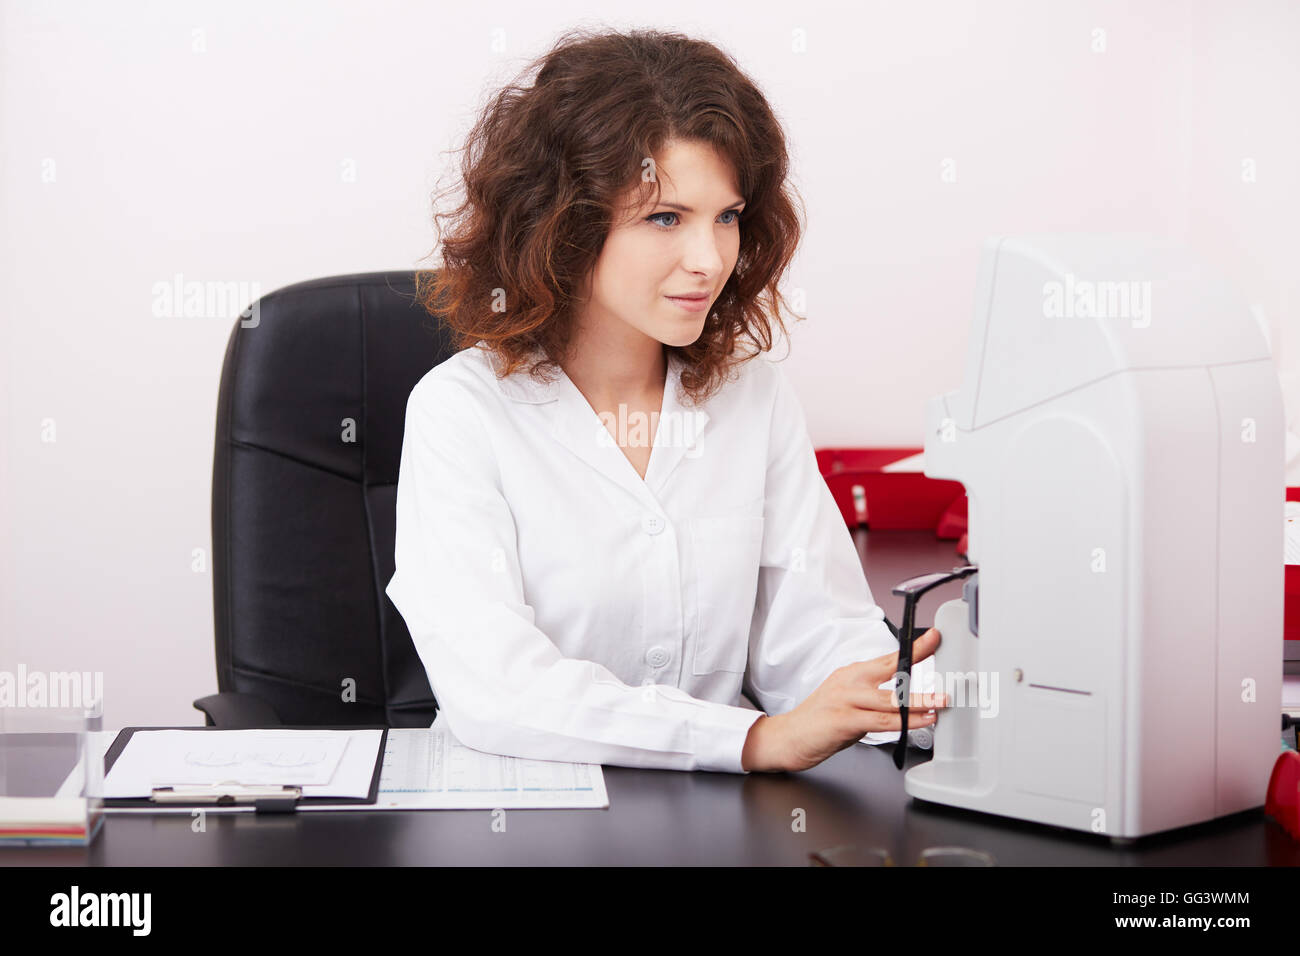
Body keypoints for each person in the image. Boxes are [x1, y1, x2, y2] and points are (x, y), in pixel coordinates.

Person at [386, 27, 947, 774]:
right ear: (565, 227)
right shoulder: (460, 414)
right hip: (516, 822)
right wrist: (749, 740)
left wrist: (914, 696)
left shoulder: (751, 395)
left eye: (727, 216)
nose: (710, 259)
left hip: (718, 825)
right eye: (665, 218)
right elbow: (498, 691)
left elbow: (815, 635)